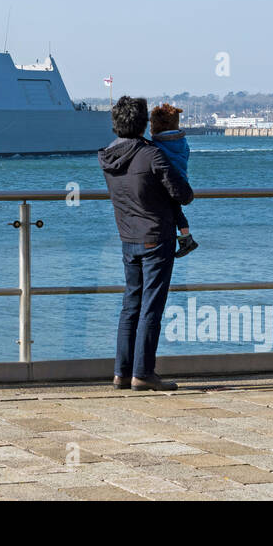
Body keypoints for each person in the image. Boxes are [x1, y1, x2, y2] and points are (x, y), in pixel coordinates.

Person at [99, 95, 195, 391]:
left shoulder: (107, 157)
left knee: (131, 306)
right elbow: (184, 194)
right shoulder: (151, 155)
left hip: (128, 239)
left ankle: (121, 372)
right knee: (151, 307)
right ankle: (144, 373)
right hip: (156, 238)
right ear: (143, 125)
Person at [149, 102, 198, 258]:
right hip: (181, 180)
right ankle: (186, 237)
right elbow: (186, 155)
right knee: (177, 211)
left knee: (175, 211)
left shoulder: (157, 145)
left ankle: (187, 239)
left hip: (166, 183)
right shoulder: (183, 142)